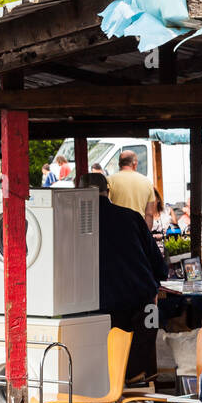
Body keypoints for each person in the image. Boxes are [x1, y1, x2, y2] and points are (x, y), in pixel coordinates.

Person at [78, 172, 167, 382]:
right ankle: (142, 391)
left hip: (100, 304)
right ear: (108, 192)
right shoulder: (131, 217)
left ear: (80, 192)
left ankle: (116, 390)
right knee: (141, 359)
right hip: (143, 301)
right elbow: (159, 265)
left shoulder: (76, 222)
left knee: (110, 365)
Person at [106, 149, 159, 224]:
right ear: (135, 164)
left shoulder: (109, 180)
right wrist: (146, 234)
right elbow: (149, 214)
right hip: (138, 229)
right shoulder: (147, 182)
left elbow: (105, 207)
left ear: (119, 164)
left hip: (117, 228)